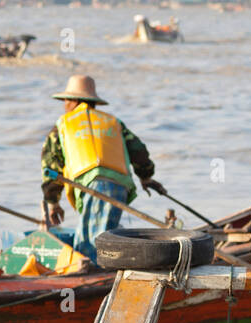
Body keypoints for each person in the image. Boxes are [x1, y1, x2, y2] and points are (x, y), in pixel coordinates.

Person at [40, 75, 164, 264]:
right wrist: (146, 177)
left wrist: (52, 202)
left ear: (73, 101)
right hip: (119, 186)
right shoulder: (113, 122)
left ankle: (89, 278)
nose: (64, 104)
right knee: (102, 234)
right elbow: (138, 150)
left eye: (66, 100)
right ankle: (102, 271)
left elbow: (50, 164)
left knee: (92, 244)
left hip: (92, 185)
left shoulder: (63, 124)